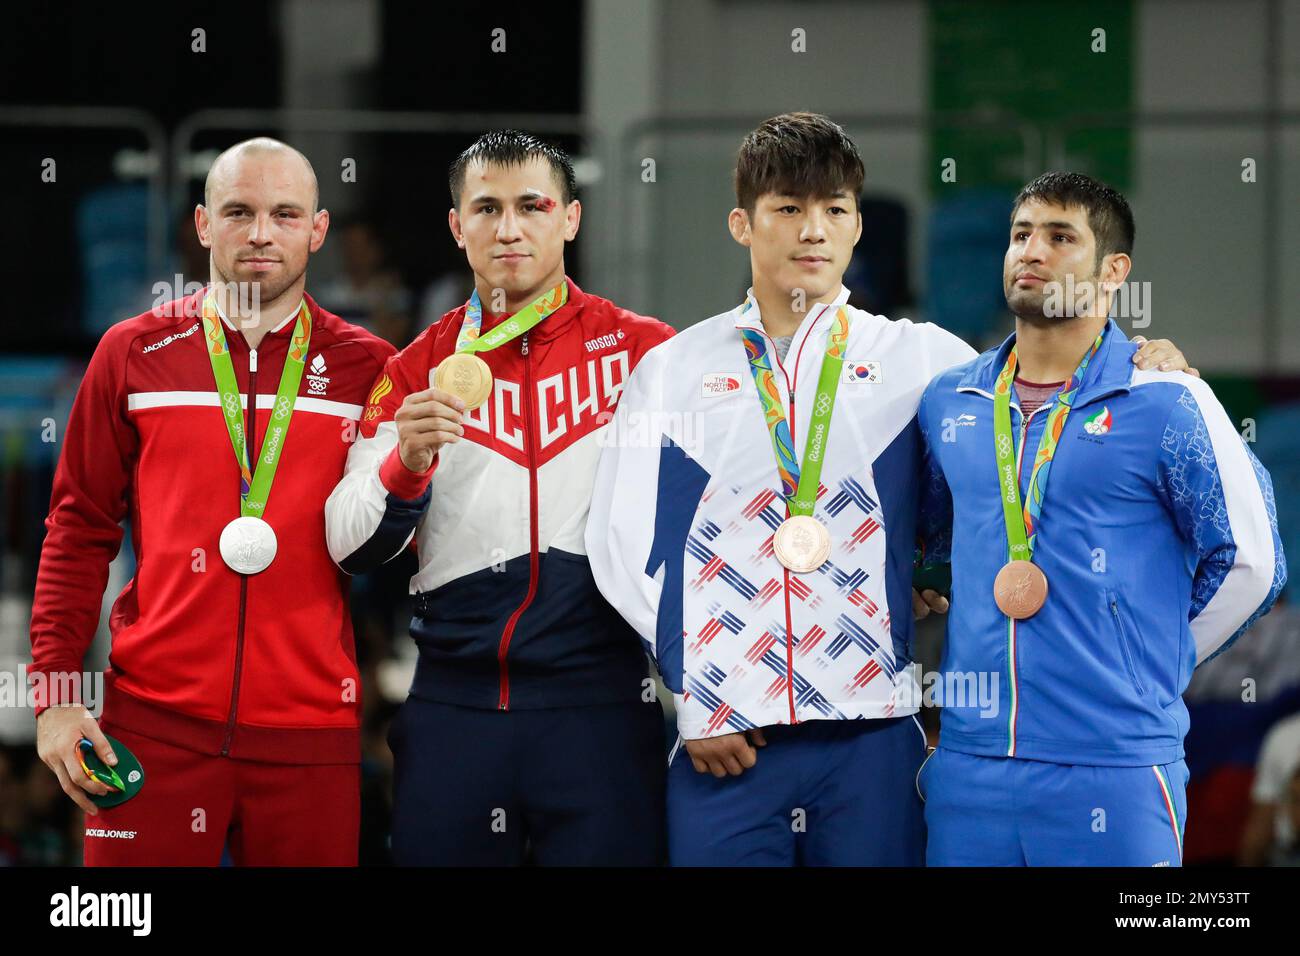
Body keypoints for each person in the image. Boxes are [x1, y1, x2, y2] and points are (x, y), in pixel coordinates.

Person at [584, 114, 1192, 866]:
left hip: (873, 731)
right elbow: (615, 541)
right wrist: (694, 688)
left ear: (858, 225)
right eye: (788, 208)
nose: (814, 230)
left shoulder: (925, 361)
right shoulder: (673, 370)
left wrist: (1143, 360)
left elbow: (1024, 449)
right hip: (727, 738)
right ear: (743, 224)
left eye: (834, 210)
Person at [28, 137, 395, 865]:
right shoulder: (133, 353)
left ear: (317, 231)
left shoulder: (370, 368)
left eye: (286, 214)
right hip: (151, 727)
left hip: (309, 736)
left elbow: (400, 537)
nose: (262, 233)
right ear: (201, 225)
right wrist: (57, 697)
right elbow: (77, 531)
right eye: (239, 211)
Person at [916, 171, 1286, 866]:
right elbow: (930, 541)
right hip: (971, 766)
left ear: (1114, 270)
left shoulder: (1167, 400)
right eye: (1021, 234)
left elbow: (1253, 560)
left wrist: (1148, 659)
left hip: (1114, 767)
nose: (1032, 251)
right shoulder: (950, 399)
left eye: (1061, 237)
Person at [324, 130, 674, 865]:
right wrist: (407, 464)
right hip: (457, 707)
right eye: (486, 208)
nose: (508, 228)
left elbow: (711, 525)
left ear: (570, 218)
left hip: (603, 706)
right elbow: (347, 542)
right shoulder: (413, 367)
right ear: (457, 227)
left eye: (531, 205)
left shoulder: (650, 355)